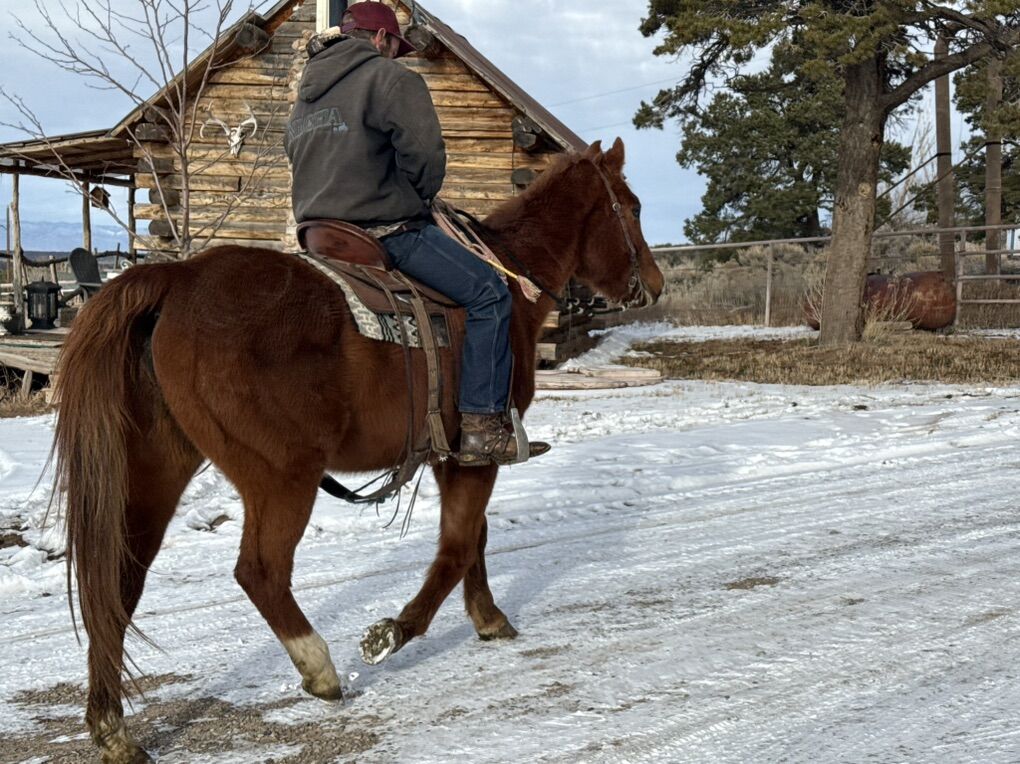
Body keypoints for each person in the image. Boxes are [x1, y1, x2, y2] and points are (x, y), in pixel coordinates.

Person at [285, 1, 547, 466]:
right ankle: (483, 426)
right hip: (384, 232)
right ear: (382, 39)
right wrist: (417, 198)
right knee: (490, 293)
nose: (396, 55)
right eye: (395, 47)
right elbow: (425, 156)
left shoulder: (307, 97)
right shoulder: (391, 79)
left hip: (317, 237)